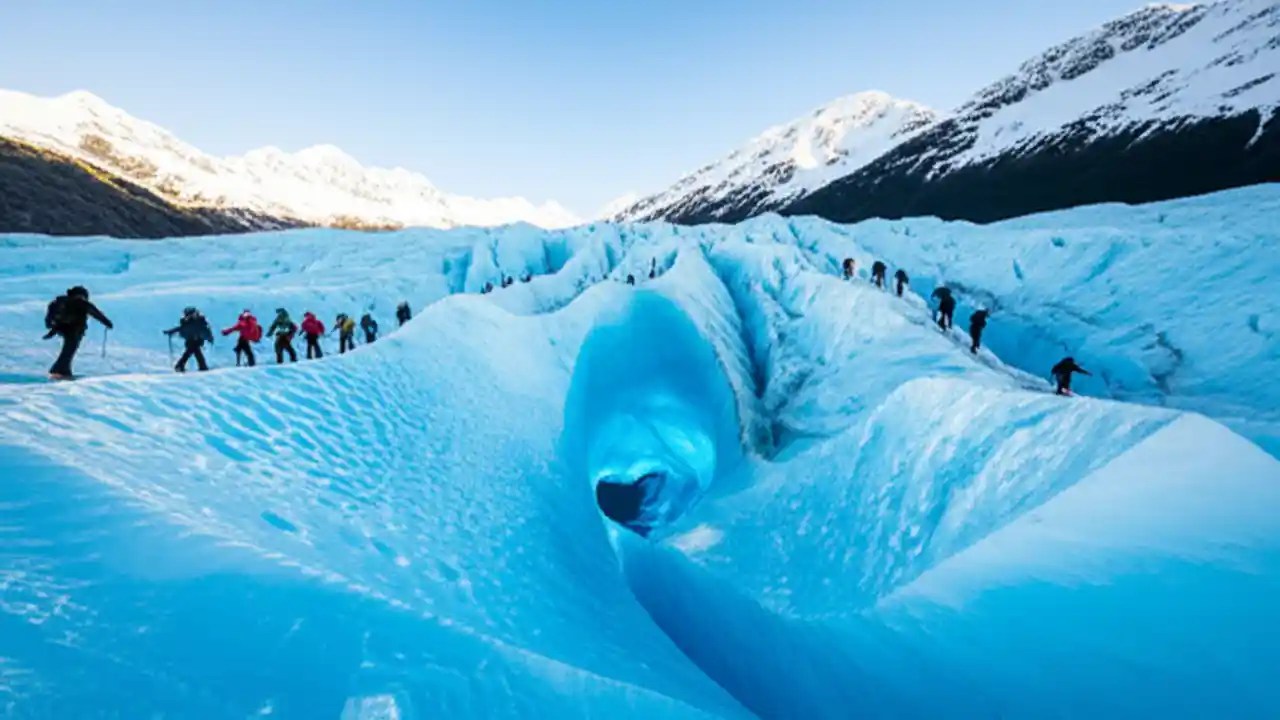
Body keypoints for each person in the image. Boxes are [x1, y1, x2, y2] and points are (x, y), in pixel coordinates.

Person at [44, 285, 113, 380]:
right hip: (75, 330)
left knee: (68, 350)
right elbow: (95, 313)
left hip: (63, 328)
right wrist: (108, 323)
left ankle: (62, 370)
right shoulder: (82, 303)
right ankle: (60, 371)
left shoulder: (61, 302)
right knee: (69, 350)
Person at [164, 306, 214, 373]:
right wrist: (170, 331)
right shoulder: (187, 322)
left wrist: (209, 337)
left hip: (197, 340)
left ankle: (181, 366)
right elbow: (181, 328)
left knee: (191, 353)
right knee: (194, 353)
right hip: (190, 340)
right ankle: (201, 366)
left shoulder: (200, 321)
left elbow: (205, 330)